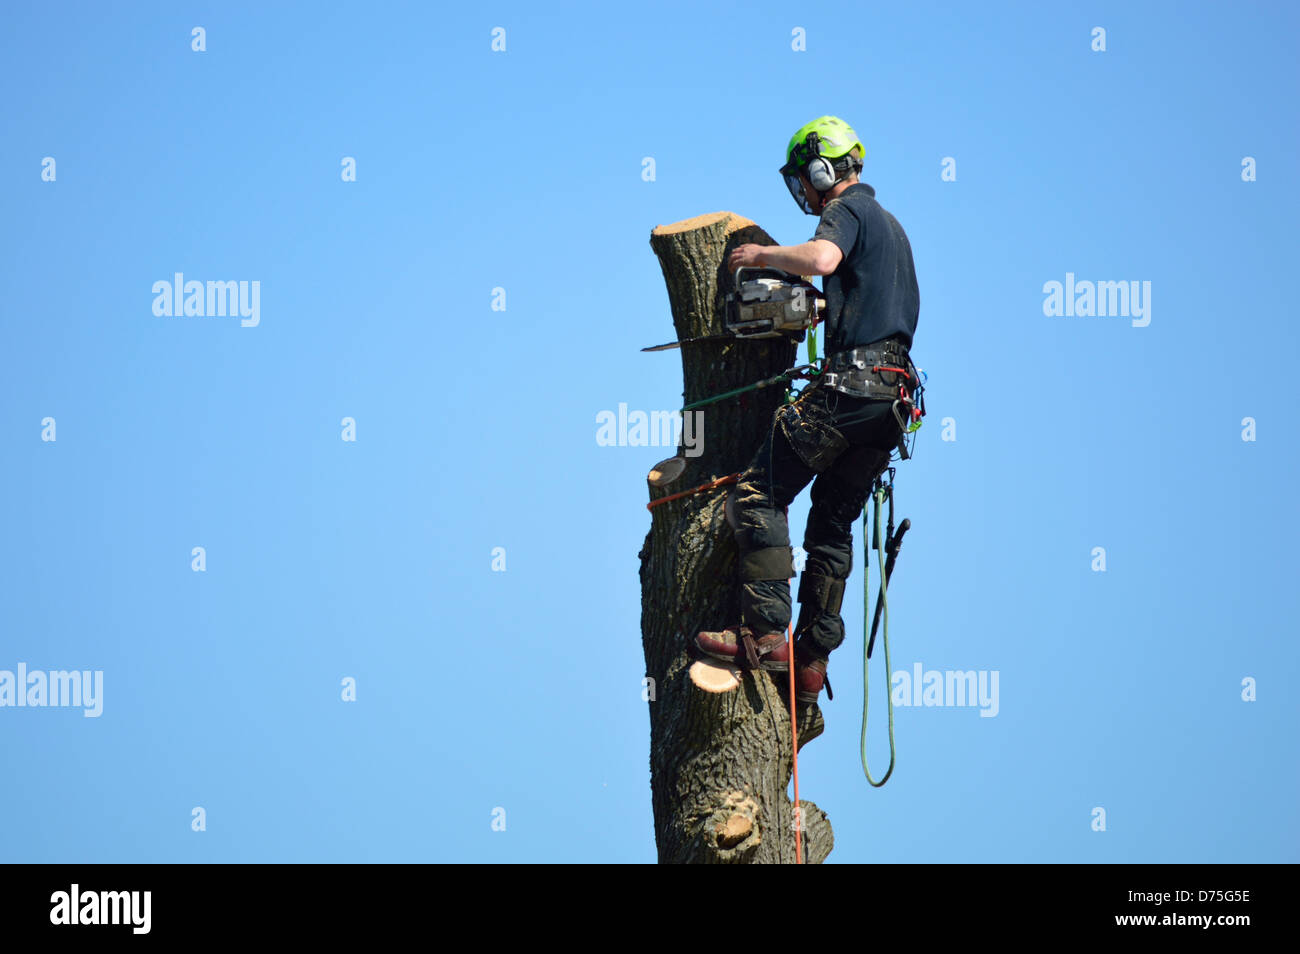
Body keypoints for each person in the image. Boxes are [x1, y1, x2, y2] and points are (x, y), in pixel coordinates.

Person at [694, 115, 921, 705]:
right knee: (832, 523)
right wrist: (826, 308)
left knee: (758, 491)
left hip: (850, 389)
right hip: (891, 405)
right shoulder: (892, 228)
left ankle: (767, 636)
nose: (806, 188)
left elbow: (821, 258)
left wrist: (761, 254)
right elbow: (856, 293)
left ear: (824, 169)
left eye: (807, 176)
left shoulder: (844, 212)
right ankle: (813, 659)